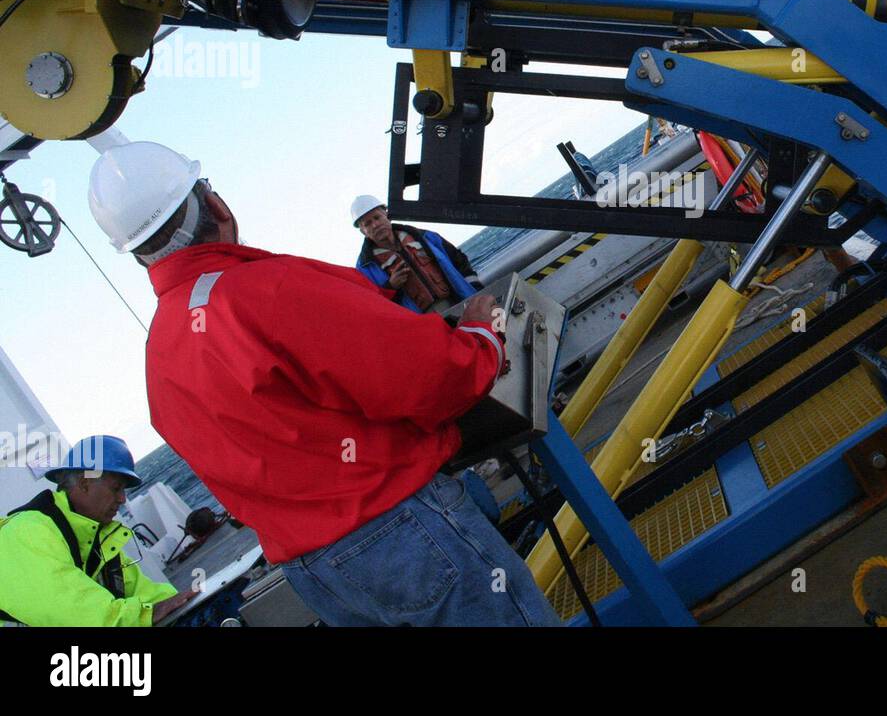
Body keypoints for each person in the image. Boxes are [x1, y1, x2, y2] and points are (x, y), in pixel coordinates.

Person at [87, 141, 559, 627]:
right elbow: (433, 377)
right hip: (405, 535)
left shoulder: (160, 352)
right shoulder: (264, 289)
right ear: (215, 205)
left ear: (140, 256)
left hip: (318, 576)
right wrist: (481, 335)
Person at [0, 435, 195, 626]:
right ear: (85, 483)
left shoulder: (99, 541)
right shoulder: (29, 532)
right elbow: (76, 614)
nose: (122, 499)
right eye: (116, 488)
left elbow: (150, 595)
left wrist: (187, 605)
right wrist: (146, 614)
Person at [350, 195, 482, 314]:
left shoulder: (425, 237)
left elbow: (458, 259)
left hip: (458, 302)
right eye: (368, 223)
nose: (375, 225)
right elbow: (373, 306)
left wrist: (476, 288)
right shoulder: (364, 268)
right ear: (363, 231)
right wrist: (390, 287)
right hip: (424, 324)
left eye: (377, 217)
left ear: (386, 214)